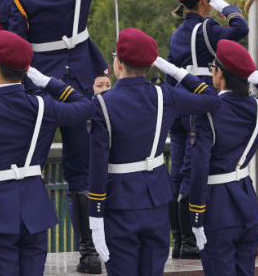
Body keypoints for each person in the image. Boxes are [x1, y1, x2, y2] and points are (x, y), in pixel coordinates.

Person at [6, 0, 147, 274]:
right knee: (80, 172)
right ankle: (87, 251)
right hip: (81, 83)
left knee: (24, 167)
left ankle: (15, 246)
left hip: (37, 85)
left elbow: (15, 46)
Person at [0, 30, 105, 276]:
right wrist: (49, 82)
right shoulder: (42, 105)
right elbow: (86, 106)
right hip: (34, 208)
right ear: (27, 70)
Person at [86, 28, 220, 276]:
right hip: (158, 198)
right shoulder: (164, 94)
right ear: (150, 65)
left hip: (119, 201)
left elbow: (96, 163)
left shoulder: (102, 103)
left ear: (118, 64)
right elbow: (212, 98)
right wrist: (178, 72)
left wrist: (94, 216)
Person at [167, 0, 249, 260]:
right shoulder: (208, 28)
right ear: (205, 1)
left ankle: (179, 241)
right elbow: (241, 28)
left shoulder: (177, 33)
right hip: (200, 100)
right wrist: (226, 7)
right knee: (191, 171)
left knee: (176, 172)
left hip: (178, 101)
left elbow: (169, 72)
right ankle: (190, 242)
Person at [185, 39, 258, 276]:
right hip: (247, 205)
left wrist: (196, 215)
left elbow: (198, 168)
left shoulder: (207, 112)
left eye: (213, 68)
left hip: (217, 210)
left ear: (220, 74)